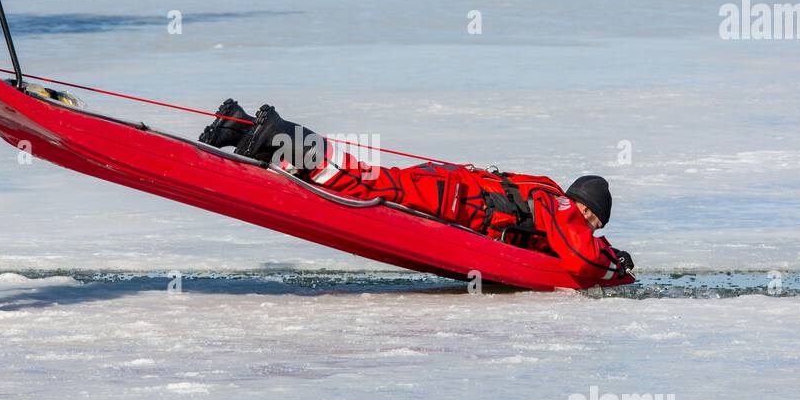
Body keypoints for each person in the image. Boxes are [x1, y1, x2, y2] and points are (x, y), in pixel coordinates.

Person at [200, 100, 634, 285]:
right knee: (356, 179)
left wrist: (613, 253)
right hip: (451, 197)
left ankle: (239, 127)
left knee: (357, 179)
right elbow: (578, 255)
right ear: (582, 203)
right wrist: (611, 266)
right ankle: (270, 130)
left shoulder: (551, 201)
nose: (591, 226)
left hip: (450, 192)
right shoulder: (559, 203)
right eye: (594, 219)